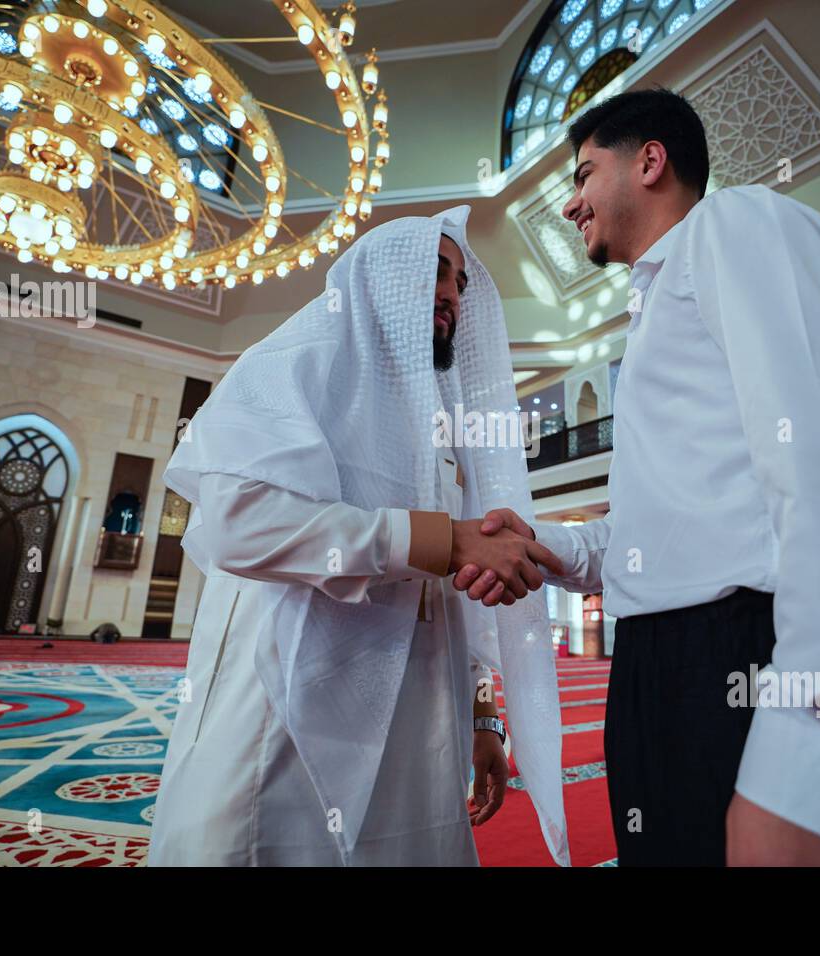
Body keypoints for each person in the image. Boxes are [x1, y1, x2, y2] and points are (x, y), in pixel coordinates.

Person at [454, 89, 820, 866]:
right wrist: (549, 546)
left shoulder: (739, 225)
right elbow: (657, 533)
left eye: (583, 174)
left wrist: (809, 760)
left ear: (649, 160)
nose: (571, 205)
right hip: (661, 668)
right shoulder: (654, 309)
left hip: (744, 658)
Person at [148, 205, 569, 867]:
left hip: (421, 728)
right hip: (284, 720)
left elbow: (459, 595)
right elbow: (238, 524)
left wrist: (484, 713)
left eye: (460, 283)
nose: (451, 295)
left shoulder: (442, 427)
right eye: (434, 272)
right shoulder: (295, 363)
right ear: (381, 280)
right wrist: (444, 541)